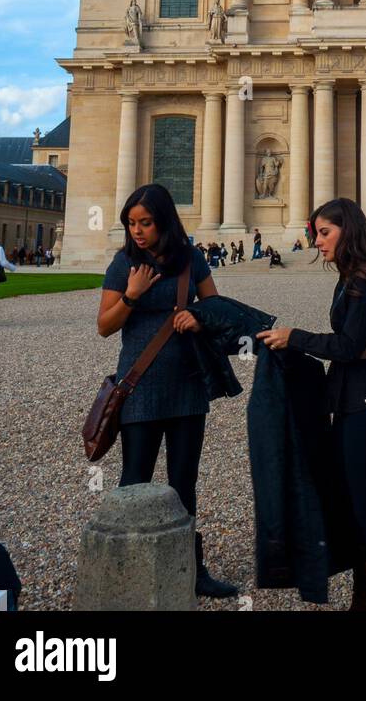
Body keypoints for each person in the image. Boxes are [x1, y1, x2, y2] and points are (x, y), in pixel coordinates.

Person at [257, 197, 366, 611]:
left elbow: (348, 346)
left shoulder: (363, 280)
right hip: (357, 400)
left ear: (348, 230)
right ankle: (364, 601)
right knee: (357, 506)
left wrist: (296, 338)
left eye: (324, 232)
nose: (317, 240)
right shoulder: (352, 277)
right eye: (316, 232)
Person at [98, 182, 237, 599]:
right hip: (139, 386)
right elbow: (105, 325)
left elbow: (217, 310)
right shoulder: (123, 264)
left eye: (145, 222)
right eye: (131, 223)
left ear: (164, 221)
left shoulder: (192, 260)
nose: (137, 230)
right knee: (134, 480)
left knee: (184, 484)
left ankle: (190, 570)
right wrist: (132, 296)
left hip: (187, 386)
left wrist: (198, 317)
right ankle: (126, 571)